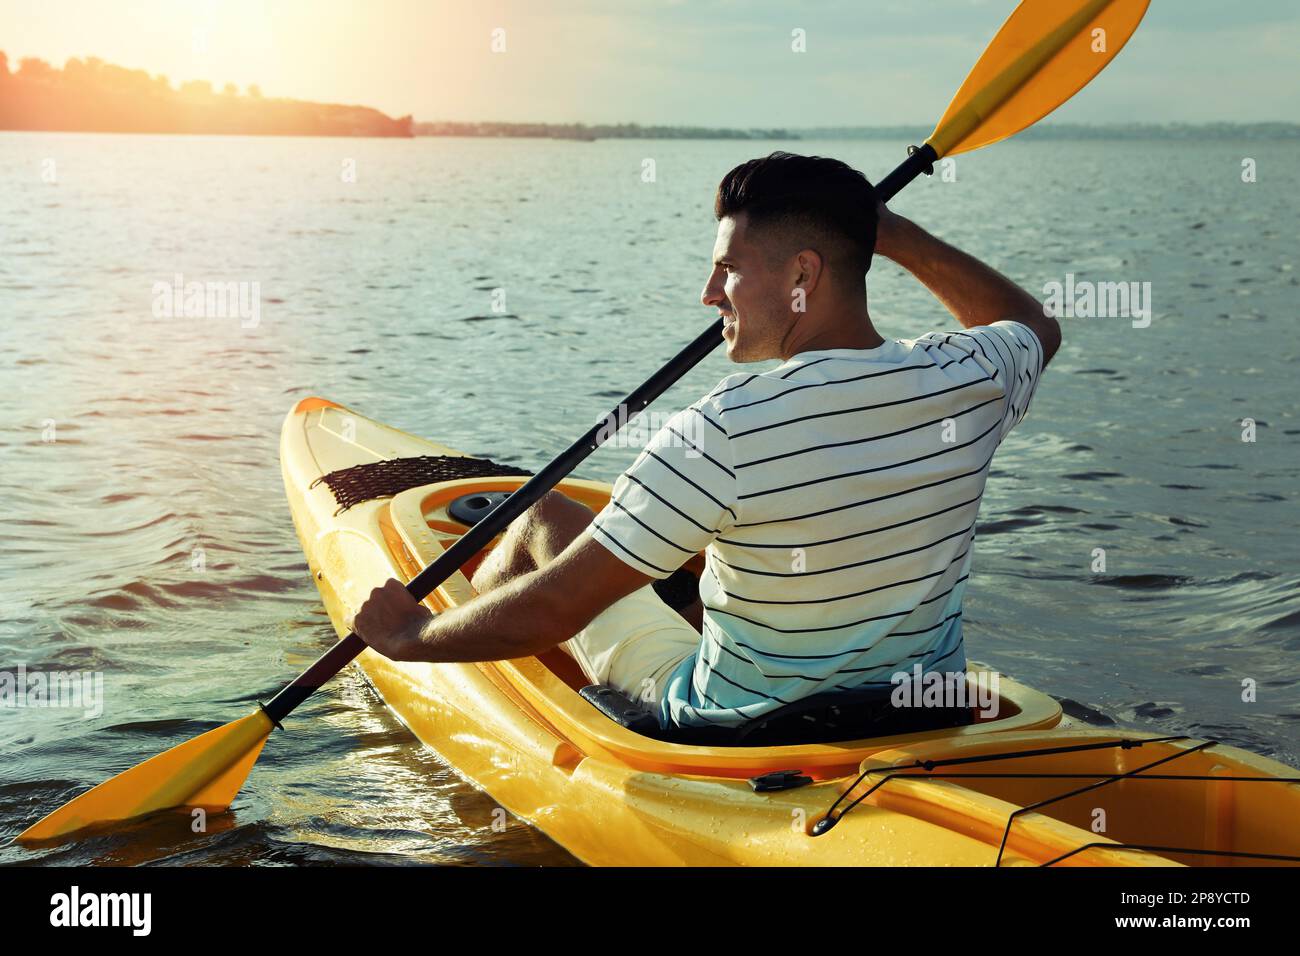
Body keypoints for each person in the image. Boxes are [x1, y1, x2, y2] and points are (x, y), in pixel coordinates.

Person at [350, 151, 1059, 734]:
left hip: (732, 728)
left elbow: (554, 609)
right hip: (913, 716)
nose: (709, 292)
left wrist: (410, 637)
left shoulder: (719, 429)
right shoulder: (971, 381)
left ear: (803, 276)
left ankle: (500, 709)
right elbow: (1029, 322)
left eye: (728, 268)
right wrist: (893, 233)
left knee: (543, 520)